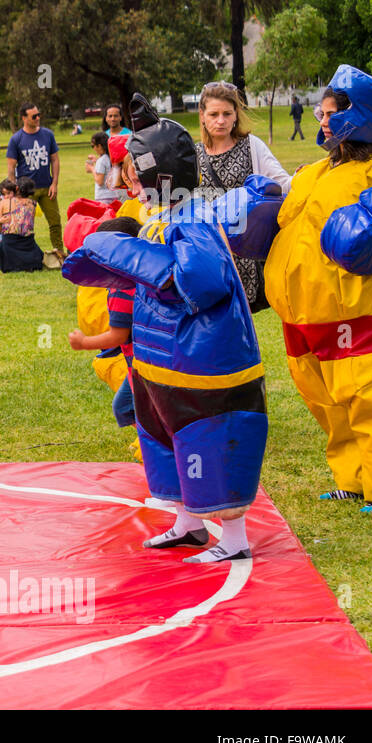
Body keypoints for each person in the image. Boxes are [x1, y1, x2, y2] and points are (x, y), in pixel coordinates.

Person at [64, 94, 268, 563]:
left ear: (159, 173)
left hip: (205, 364)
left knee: (208, 438)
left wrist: (133, 257)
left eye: (135, 171)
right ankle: (189, 524)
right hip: (163, 362)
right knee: (166, 436)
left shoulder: (192, 217)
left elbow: (204, 280)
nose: (126, 180)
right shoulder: (160, 215)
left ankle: (234, 539)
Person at [258, 65, 372, 512]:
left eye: (330, 113)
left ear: (360, 117)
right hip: (302, 316)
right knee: (327, 402)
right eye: (321, 111)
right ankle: (352, 479)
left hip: (360, 314)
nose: (322, 119)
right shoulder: (315, 171)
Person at [194, 80, 291, 313]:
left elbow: (282, 184)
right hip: (210, 255)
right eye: (214, 114)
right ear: (202, 116)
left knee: (241, 324)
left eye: (227, 113)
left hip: (246, 255)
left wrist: (306, 177)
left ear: (236, 114)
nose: (221, 120)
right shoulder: (194, 155)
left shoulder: (251, 146)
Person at [68, 216, 145, 453]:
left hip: (140, 365)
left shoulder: (123, 289)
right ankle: (150, 440)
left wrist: (84, 342)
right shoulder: (140, 278)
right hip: (143, 361)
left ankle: (154, 445)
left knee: (140, 409)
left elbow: (118, 336)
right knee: (125, 407)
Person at [6, 103, 64, 261]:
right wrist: (14, 190)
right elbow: (11, 168)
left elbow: (55, 160)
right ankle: (25, 255)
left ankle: (59, 252)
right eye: (34, 116)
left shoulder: (48, 135)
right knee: (24, 225)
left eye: (39, 114)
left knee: (55, 222)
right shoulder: (16, 139)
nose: (38, 118)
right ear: (24, 118)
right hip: (26, 191)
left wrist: (55, 183)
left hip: (47, 187)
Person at [0, 178, 43, 273]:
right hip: (29, 246)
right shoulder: (33, 204)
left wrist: (0, 221)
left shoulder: (4, 202)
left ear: (16, 188)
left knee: (0, 244)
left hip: (10, 246)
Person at [85, 132, 117, 202]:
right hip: (114, 195)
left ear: (99, 146)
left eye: (93, 146)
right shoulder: (111, 157)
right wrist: (97, 160)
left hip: (103, 198)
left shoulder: (102, 161)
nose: (93, 149)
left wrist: (92, 168)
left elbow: (99, 181)